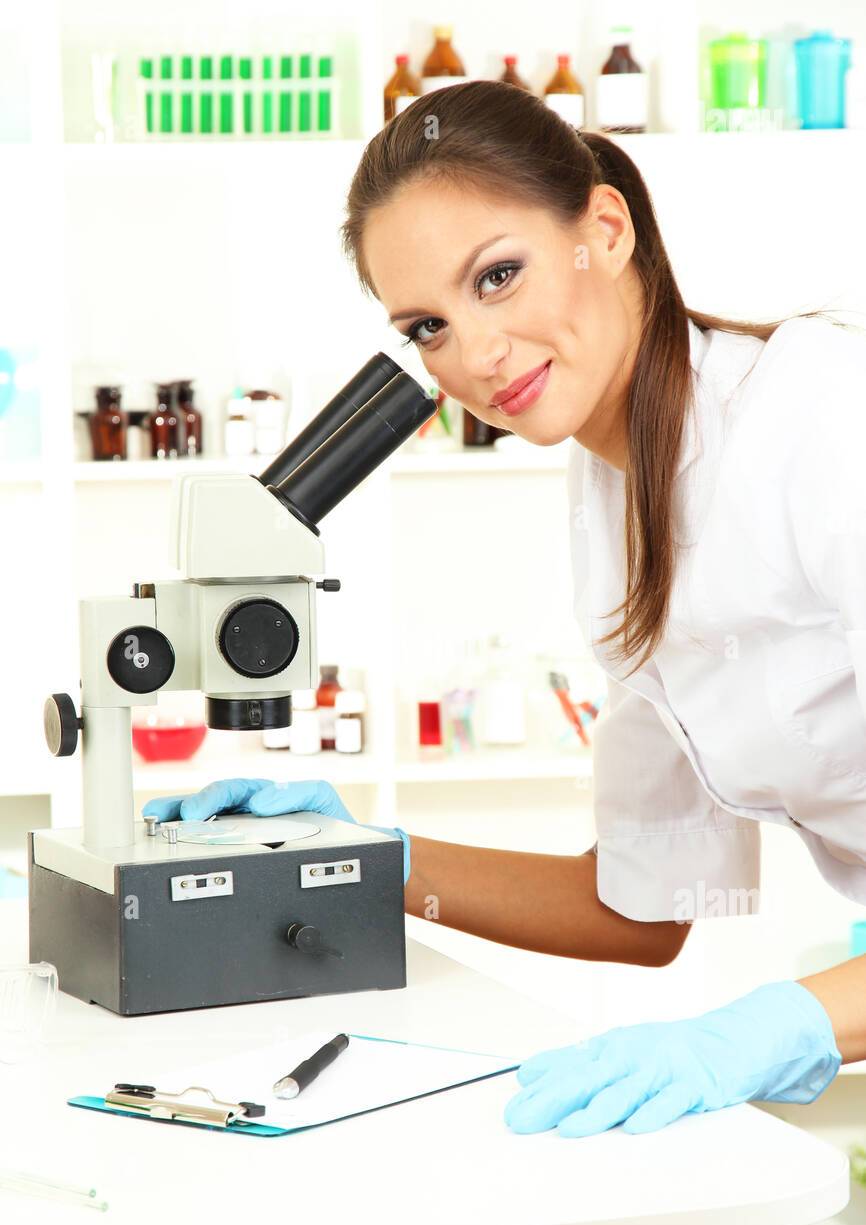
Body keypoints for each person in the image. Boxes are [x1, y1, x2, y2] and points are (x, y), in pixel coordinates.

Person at [145, 80, 866, 1138]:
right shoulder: (608, 513)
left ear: (604, 230)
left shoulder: (820, 418)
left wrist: (768, 1028)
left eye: (498, 275)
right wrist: (371, 860)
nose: (473, 355)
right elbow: (640, 908)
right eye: (428, 325)